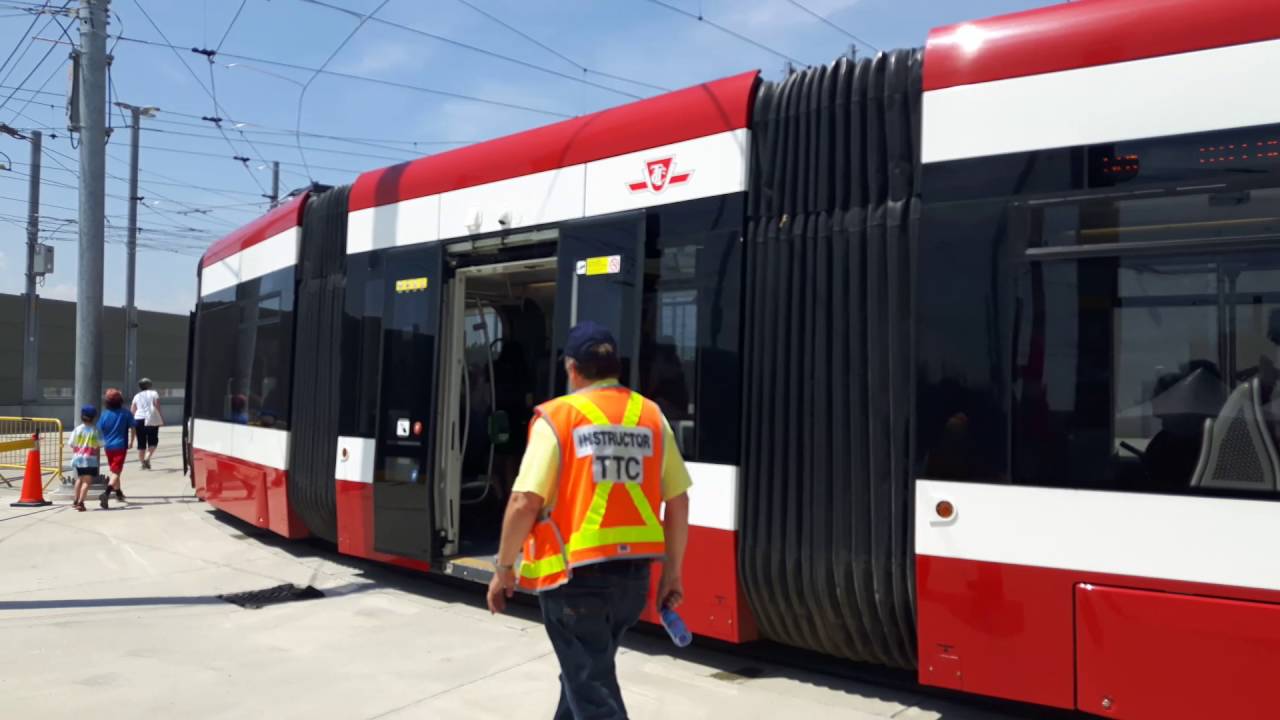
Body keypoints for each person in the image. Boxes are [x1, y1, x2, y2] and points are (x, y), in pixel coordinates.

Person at [487, 321, 692, 719]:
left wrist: (504, 568)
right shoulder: (650, 415)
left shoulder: (559, 417)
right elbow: (679, 500)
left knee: (593, 693)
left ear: (571, 367)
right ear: (617, 366)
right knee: (582, 675)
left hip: (575, 582)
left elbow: (523, 501)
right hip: (632, 584)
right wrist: (673, 574)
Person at [97, 388, 135, 507]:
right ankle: (107, 493)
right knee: (116, 472)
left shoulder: (104, 414)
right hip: (120, 446)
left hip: (108, 447)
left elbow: (99, 429)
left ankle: (118, 493)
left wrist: (101, 442)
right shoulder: (126, 413)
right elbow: (133, 427)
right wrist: (132, 441)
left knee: (114, 470)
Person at [69, 405, 104, 512]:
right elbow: (100, 444)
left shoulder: (77, 429)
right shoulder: (95, 430)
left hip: (78, 459)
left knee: (79, 479)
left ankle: (75, 500)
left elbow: (71, 443)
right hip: (90, 459)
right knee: (87, 482)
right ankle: (81, 503)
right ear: (94, 417)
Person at [131, 378, 162, 469]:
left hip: (138, 419)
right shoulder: (154, 393)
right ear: (150, 385)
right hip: (151, 419)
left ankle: (142, 463)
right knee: (153, 440)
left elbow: (132, 410)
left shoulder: (137, 396)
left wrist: (132, 421)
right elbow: (157, 406)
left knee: (141, 443)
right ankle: (147, 458)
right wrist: (160, 418)